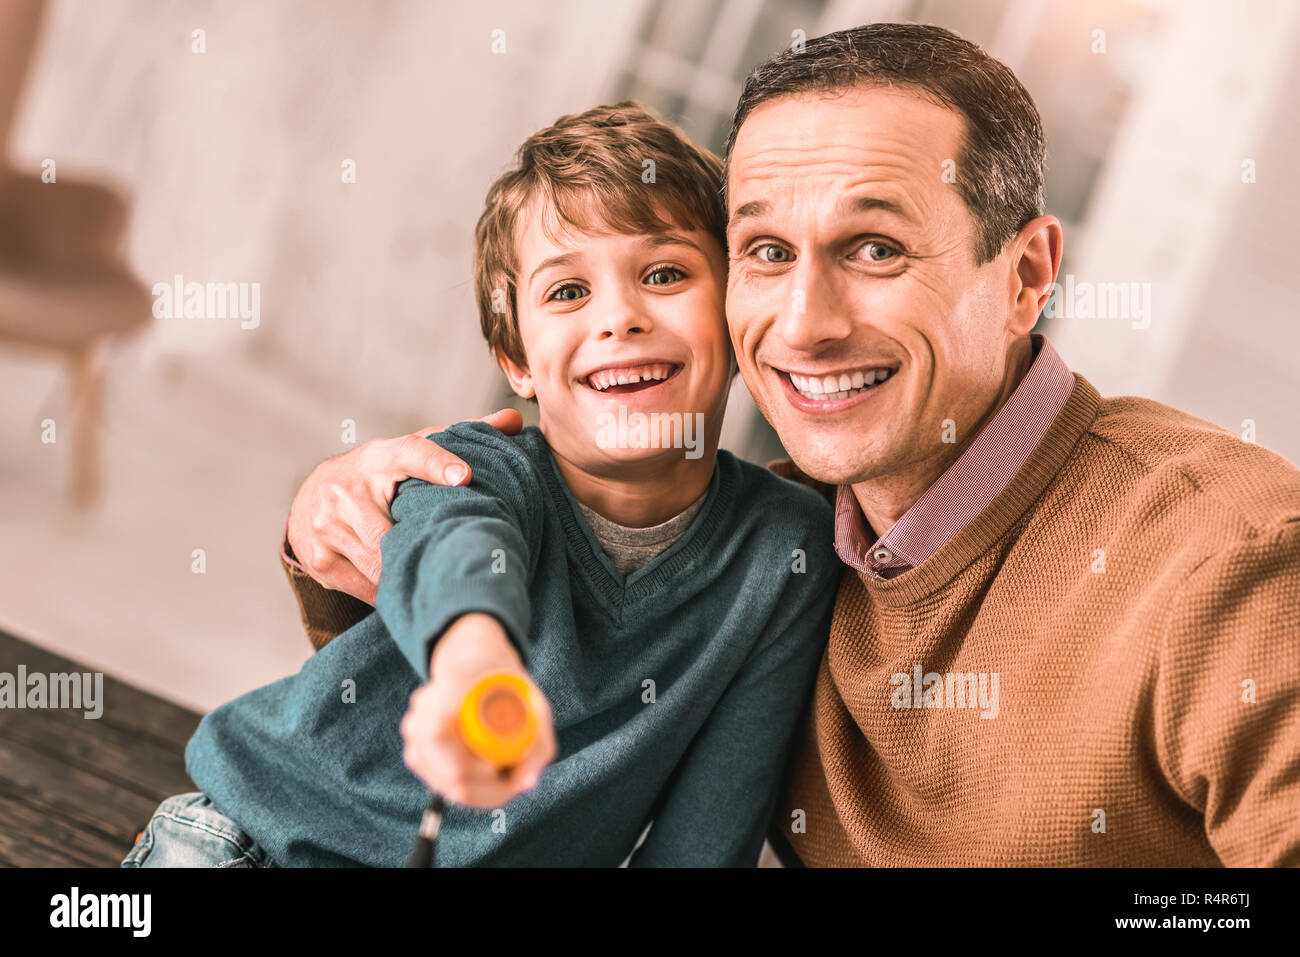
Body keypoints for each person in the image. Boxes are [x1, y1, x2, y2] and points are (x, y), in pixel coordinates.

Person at [287, 24, 1300, 866]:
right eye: (767, 252)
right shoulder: (777, 547)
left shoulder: (1232, 556)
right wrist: (349, 510)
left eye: (875, 249)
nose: (806, 325)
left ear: (1025, 275)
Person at [123, 102, 839, 868]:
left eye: (664, 274)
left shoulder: (786, 550)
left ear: (736, 313)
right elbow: (453, 545)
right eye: (567, 292)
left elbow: (708, 832)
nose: (620, 317)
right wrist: (474, 661)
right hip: (257, 840)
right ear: (518, 359)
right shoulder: (476, 465)